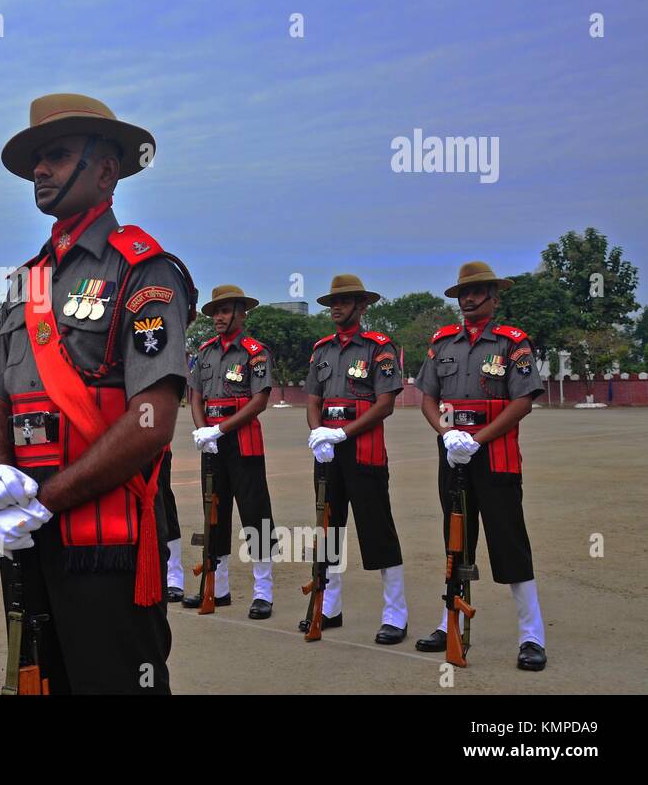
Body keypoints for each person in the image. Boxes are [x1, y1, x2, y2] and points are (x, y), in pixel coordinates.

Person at [0, 93, 197, 693]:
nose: (40, 170)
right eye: (37, 159)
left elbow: (152, 419)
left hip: (105, 537)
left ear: (106, 170)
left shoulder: (143, 270)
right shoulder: (28, 281)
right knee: (42, 681)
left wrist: (48, 499)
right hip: (26, 529)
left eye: (57, 155)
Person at [412, 261, 547, 672]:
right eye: (463, 294)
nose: (468, 299)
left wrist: (477, 439)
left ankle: (531, 635)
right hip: (453, 454)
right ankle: (448, 620)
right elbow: (427, 397)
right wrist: (446, 433)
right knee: (456, 542)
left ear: (494, 296)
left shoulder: (512, 343)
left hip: (496, 455)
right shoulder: (443, 342)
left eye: (477, 292)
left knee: (509, 540)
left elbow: (522, 401)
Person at [302, 274, 408, 645]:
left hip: (363, 452)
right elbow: (312, 398)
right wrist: (318, 433)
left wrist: (343, 433)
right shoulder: (321, 350)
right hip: (328, 452)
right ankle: (329, 607)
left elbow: (385, 404)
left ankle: (395, 613)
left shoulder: (379, 348)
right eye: (333, 301)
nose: (336, 307)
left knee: (377, 528)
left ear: (362, 306)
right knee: (328, 529)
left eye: (345, 301)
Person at [185, 285, 277, 619]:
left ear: (242, 313)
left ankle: (263, 591)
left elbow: (259, 400)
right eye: (215, 313)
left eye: (225, 312)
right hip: (211, 443)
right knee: (214, 513)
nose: (219, 318)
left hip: (243, 441)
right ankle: (217, 588)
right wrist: (202, 430)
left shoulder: (255, 352)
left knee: (256, 514)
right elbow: (195, 395)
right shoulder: (205, 352)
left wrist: (220, 429)